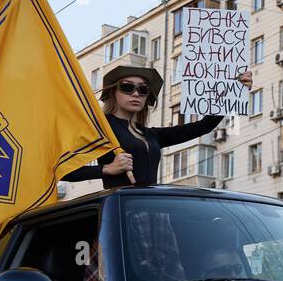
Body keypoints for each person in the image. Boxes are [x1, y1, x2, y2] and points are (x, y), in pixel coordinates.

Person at [61, 65, 253, 189]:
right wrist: (106, 169)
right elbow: (64, 171)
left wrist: (234, 88)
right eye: (127, 87)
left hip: (153, 209)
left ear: (148, 97)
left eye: (143, 89)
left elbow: (202, 127)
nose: (136, 93)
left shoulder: (151, 134)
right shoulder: (101, 128)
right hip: (121, 209)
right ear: (113, 92)